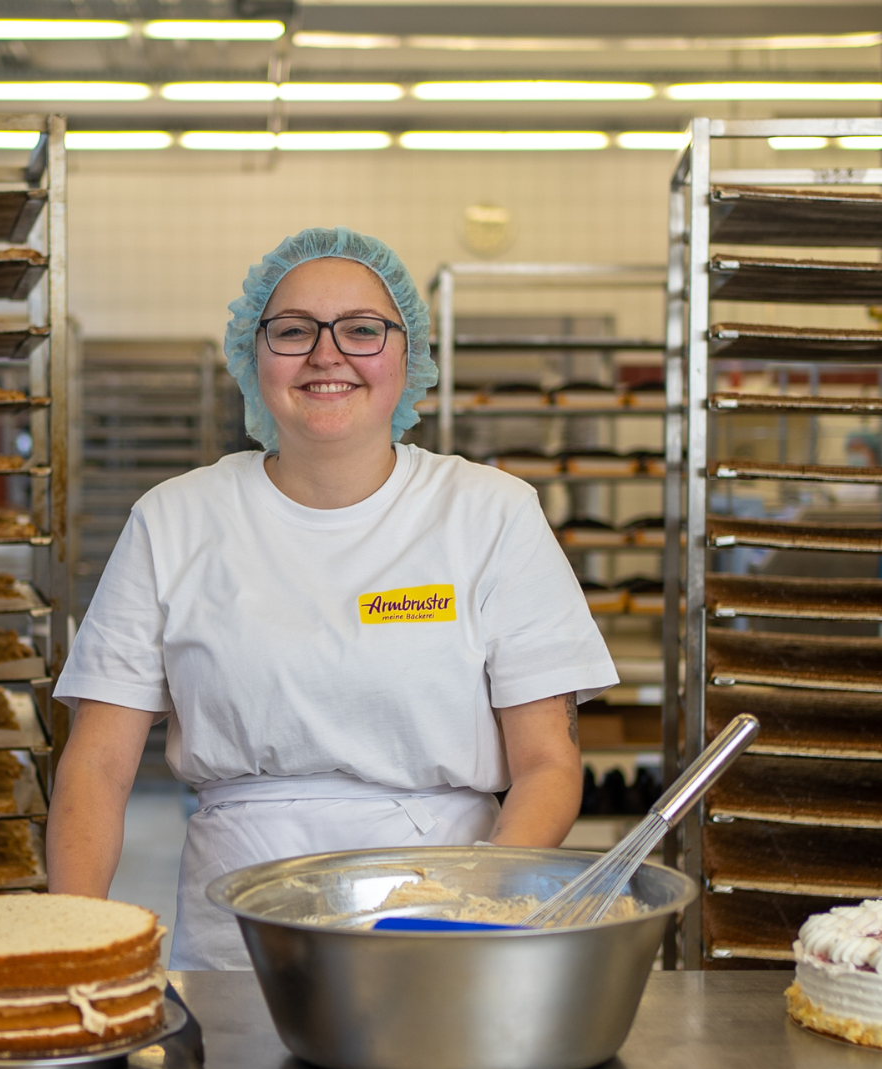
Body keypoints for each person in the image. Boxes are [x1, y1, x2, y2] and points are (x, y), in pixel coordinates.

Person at [49, 227, 618, 970]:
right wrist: (69, 946)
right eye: (293, 331)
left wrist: (478, 905)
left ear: (406, 355)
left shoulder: (490, 512)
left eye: (361, 330)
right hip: (237, 928)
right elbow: (97, 766)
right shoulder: (173, 518)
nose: (326, 355)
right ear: (254, 355)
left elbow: (548, 764)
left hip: (445, 911)